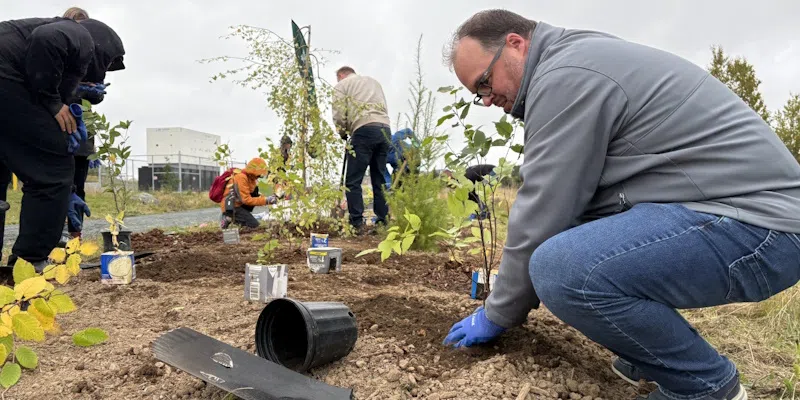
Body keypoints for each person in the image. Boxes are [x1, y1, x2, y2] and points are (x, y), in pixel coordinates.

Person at [441, 9, 800, 400]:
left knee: (561, 267)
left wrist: (498, 312)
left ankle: (706, 387)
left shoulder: (566, 76)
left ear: (515, 43)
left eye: (485, 83)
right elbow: (576, 205)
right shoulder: (576, 58)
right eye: (479, 95)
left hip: (763, 226)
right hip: (739, 214)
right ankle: (647, 353)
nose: (488, 99)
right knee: (577, 241)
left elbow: (542, 210)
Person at [0, 15, 125, 270]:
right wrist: (53, 101)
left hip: (7, 81)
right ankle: (30, 261)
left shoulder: (39, 44)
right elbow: (46, 39)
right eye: (108, 61)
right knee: (53, 169)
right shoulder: (80, 34)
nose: (103, 69)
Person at [332, 66, 391, 232]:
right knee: (379, 179)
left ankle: (356, 223)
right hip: (384, 129)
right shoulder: (373, 82)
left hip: (363, 130)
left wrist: (343, 133)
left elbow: (338, 113)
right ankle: (383, 222)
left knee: (352, 181)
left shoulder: (342, 85)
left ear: (341, 75)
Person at [219, 157, 277, 229]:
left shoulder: (251, 179)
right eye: (259, 174)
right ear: (255, 171)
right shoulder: (241, 178)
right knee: (254, 225)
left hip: (239, 204)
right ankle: (227, 217)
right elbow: (246, 199)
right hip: (231, 206)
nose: (260, 176)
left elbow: (255, 196)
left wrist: (268, 199)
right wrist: (266, 200)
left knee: (252, 224)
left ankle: (234, 219)